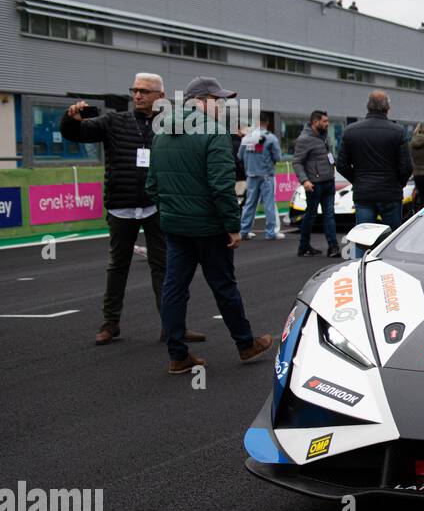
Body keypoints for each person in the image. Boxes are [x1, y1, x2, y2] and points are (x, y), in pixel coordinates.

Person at [61, 73, 204, 347]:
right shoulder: (114, 121)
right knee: (118, 266)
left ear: (160, 96)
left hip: (156, 205)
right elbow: (77, 132)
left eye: (144, 91)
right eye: (135, 90)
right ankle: (110, 324)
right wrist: (70, 118)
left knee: (163, 267)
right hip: (121, 205)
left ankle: (172, 327)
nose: (137, 96)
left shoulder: (171, 125)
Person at [146, 76, 272, 373]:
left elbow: (152, 185)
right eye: (218, 101)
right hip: (210, 228)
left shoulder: (161, 131)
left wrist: (171, 212)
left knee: (174, 288)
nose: (222, 106)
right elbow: (221, 186)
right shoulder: (215, 133)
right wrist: (232, 226)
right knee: (224, 286)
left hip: (175, 226)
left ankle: (177, 355)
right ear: (201, 101)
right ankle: (245, 343)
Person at [336, 90, 412, 227]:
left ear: (368, 106)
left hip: (364, 191)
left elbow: (341, 165)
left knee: (363, 238)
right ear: (387, 108)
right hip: (390, 191)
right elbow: (406, 166)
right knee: (392, 237)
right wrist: (399, 182)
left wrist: (357, 179)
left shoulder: (350, 131)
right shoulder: (398, 131)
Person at [292, 110, 339, 258]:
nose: (327, 123)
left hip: (328, 182)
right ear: (315, 122)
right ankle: (303, 246)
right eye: (324, 121)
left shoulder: (323, 137)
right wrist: (305, 180)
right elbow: (297, 162)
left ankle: (333, 247)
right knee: (311, 216)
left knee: (329, 216)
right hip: (314, 184)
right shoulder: (304, 139)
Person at [238, 111, 285, 240]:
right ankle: (271, 232)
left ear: (256, 122)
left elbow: (240, 156)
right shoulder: (271, 138)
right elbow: (278, 157)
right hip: (266, 175)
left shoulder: (247, 138)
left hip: (251, 175)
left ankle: (243, 231)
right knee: (268, 204)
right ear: (267, 123)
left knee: (249, 204)